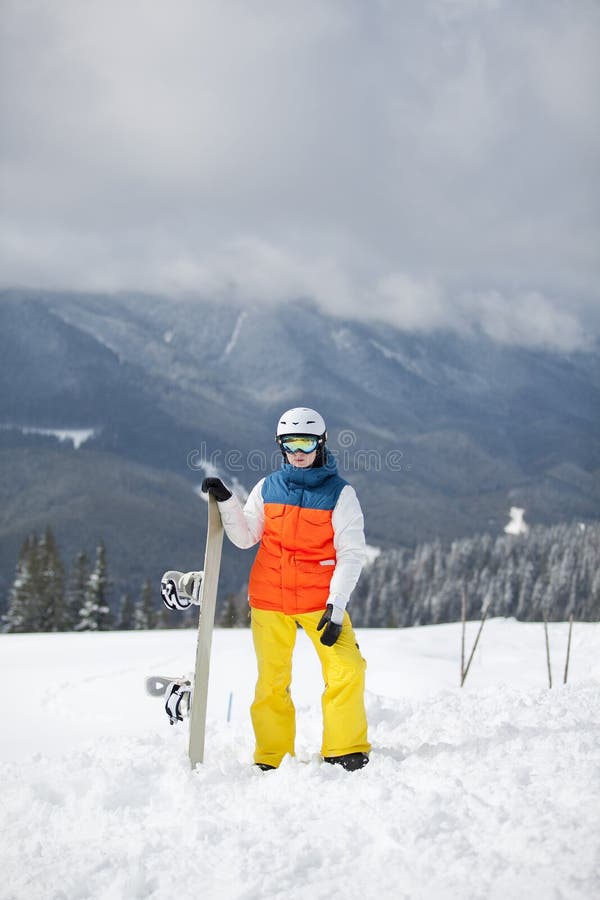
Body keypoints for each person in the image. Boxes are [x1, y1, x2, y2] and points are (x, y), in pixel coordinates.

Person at [201, 407, 370, 772]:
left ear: (320, 443)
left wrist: (336, 604)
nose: (298, 451)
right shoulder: (267, 487)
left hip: (318, 602)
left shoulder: (342, 495)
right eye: (290, 442)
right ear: (280, 445)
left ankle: (344, 748)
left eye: (306, 442)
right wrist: (228, 501)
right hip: (270, 599)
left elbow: (352, 554)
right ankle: (272, 757)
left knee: (348, 668)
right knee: (272, 681)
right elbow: (246, 538)